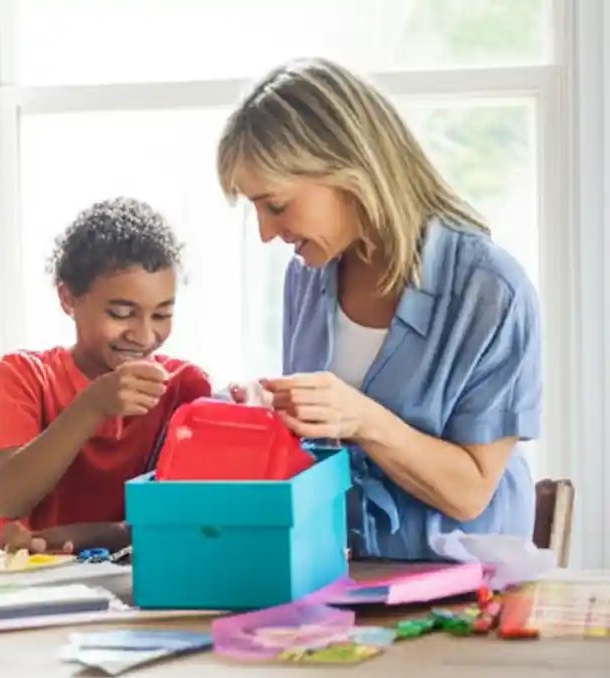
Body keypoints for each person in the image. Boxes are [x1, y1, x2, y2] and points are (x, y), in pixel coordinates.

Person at [217, 57, 542, 561]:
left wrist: (363, 419)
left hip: (463, 590)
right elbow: (323, 451)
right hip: (338, 575)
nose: (264, 232)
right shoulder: (306, 275)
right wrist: (273, 417)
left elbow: (470, 492)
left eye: (276, 205)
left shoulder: (491, 290)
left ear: (348, 171)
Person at [0, 197, 212, 554]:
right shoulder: (25, 375)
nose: (143, 336)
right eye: (122, 313)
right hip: (36, 586)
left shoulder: (185, 387)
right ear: (68, 298)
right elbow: (9, 498)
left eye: (161, 315)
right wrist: (92, 405)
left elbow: (182, 521)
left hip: (143, 586)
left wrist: (86, 536)